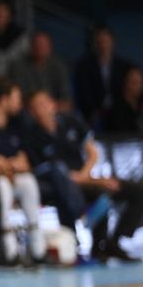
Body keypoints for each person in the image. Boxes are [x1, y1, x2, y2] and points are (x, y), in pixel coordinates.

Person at [24, 91, 143, 261]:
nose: (42, 109)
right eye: (37, 106)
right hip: (62, 186)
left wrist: (87, 176)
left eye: (45, 103)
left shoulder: (70, 121)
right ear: (32, 112)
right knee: (100, 193)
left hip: (86, 178)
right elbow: (50, 171)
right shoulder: (32, 136)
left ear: (53, 104)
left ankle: (115, 240)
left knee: (137, 191)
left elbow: (93, 152)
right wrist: (91, 181)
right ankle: (90, 232)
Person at [0, 80, 46, 265]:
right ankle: (8, 251)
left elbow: (26, 160)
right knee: (1, 186)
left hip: (14, 177)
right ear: (3, 99)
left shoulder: (16, 125)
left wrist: (11, 164)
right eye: (16, 98)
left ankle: (37, 249)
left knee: (28, 182)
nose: (19, 104)